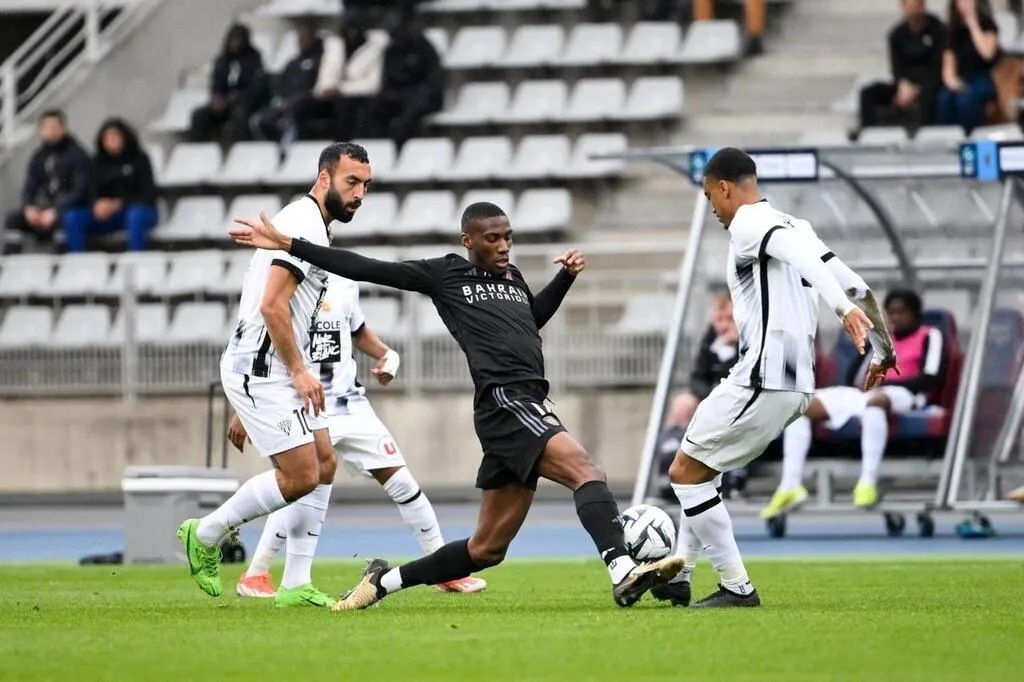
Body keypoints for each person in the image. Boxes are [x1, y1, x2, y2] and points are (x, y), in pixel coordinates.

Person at [230, 202, 684, 611]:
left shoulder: (513, 279)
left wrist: (564, 279)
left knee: (486, 550)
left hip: (525, 402)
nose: (504, 246)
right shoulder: (446, 275)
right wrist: (291, 243)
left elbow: (529, 320)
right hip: (505, 400)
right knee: (587, 470)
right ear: (468, 241)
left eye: (508, 237)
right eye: (493, 238)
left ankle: (382, 582)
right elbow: (367, 267)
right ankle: (622, 568)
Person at [654, 148, 896, 609]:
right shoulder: (795, 224)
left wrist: (842, 311)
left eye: (710, 198)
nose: (714, 211)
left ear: (724, 187)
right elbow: (853, 282)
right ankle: (681, 573)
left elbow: (828, 282)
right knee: (702, 462)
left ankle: (736, 587)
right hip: (794, 384)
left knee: (684, 473)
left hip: (764, 377)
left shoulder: (748, 222)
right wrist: (883, 347)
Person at [177, 142, 371, 608]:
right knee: (303, 473)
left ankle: (295, 582)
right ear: (324, 179)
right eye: (352, 182)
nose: (360, 193)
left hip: (268, 368)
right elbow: (271, 305)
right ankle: (204, 534)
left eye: (366, 184)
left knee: (324, 462)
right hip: (264, 368)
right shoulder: (304, 223)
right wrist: (299, 372)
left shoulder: (308, 226)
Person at [233, 273, 486, 597]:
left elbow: (356, 331)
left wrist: (387, 355)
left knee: (404, 483)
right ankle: (256, 574)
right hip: (305, 403)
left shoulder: (344, 283)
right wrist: (246, 407)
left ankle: (446, 570)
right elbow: (260, 345)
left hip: (351, 405)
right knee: (298, 485)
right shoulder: (285, 282)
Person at [763, 289, 945, 516]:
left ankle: (867, 482)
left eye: (901, 312)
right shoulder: (882, 336)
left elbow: (931, 378)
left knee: (875, 402)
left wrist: (885, 383)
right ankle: (790, 485)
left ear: (915, 314)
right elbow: (854, 376)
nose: (895, 318)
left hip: (907, 395)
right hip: (868, 393)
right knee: (800, 405)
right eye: (891, 313)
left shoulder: (930, 335)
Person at [656, 291, 740, 501]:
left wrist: (732, 350)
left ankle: (729, 476)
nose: (723, 326)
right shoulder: (712, 338)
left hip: (739, 402)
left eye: (729, 319)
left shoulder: (749, 340)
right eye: (719, 320)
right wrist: (708, 397)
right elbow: (697, 377)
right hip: (714, 399)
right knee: (682, 404)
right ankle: (669, 465)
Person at [63, 118, 158, 253]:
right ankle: (78, 263)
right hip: (108, 215)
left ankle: (136, 260)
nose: (111, 141)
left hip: (138, 210)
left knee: (135, 215)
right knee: (73, 217)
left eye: (115, 136)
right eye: (107, 138)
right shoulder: (96, 162)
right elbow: (90, 191)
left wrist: (119, 204)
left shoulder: (140, 159)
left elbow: (149, 193)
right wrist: (96, 205)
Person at [856, 0, 945, 134]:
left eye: (917, 6)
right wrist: (903, 85)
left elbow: (937, 67)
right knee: (867, 93)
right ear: (903, 7)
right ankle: (871, 134)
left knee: (930, 96)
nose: (914, 11)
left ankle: (927, 135)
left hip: (931, 84)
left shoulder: (938, 30)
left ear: (923, 5)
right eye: (910, 7)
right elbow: (897, 68)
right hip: (905, 84)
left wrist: (917, 89)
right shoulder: (896, 35)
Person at [4, 109, 91, 247]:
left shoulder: (78, 155)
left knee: (65, 221)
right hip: (45, 210)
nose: (50, 131)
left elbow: (80, 191)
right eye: (46, 127)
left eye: (54, 127)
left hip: (70, 210)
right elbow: (30, 186)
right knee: (14, 220)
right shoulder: (39, 156)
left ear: (64, 128)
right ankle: (10, 261)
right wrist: (29, 208)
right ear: (40, 130)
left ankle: (60, 264)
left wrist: (56, 210)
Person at [294, 13, 386, 141]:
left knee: (345, 108)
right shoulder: (334, 47)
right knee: (301, 105)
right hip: (331, 97)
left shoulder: (375, 50)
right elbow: (325, 75)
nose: (351, 34)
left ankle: (341, 148)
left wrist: (342, 90)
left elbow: (373, 85)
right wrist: (325, 89)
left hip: (357, 99)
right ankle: (303, 144)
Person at [363, 11, 443, 147]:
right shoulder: (391, 50)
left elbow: (433, 81)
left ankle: (398, 146)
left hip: (423, 94)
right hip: (400, 94)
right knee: (371, 108)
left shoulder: (424, 48)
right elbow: (387, 79)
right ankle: (374, 146)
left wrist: (413, 93)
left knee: (410, 113)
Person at [190, 23, 270, 143]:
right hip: (223, 104)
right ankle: (201, 151)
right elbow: (216, 84)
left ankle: (240, 150)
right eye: (232, 39)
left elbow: (256, 89)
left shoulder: (253, 60)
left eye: (238, 39)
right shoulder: (222, 61)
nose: (235, 43)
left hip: (243, 103)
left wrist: (232, 100)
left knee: (240, 115)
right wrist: (216, 98)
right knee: (199, 115)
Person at [250, 20, 325, 144]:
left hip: (304, 105)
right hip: (283, 104)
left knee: (292, 117)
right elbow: (280, 87)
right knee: (259, 120)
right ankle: (272, 149)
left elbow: (316, 88)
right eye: (300, 39)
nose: (302, 42)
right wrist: (278, 102)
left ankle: (287, 150)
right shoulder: (292, 64)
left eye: (306, 38)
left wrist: (292, 101)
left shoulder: (320, 61)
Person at [938, 0, 1000, 133]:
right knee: (944, 98)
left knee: (966, 99)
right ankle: (950, 138)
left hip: (983, 78)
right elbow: (948, 64)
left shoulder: (987, 24)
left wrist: (972, 23)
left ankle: (972, 136)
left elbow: (987, 53)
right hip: (961, 78)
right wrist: (952, 82)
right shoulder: (951, 30)